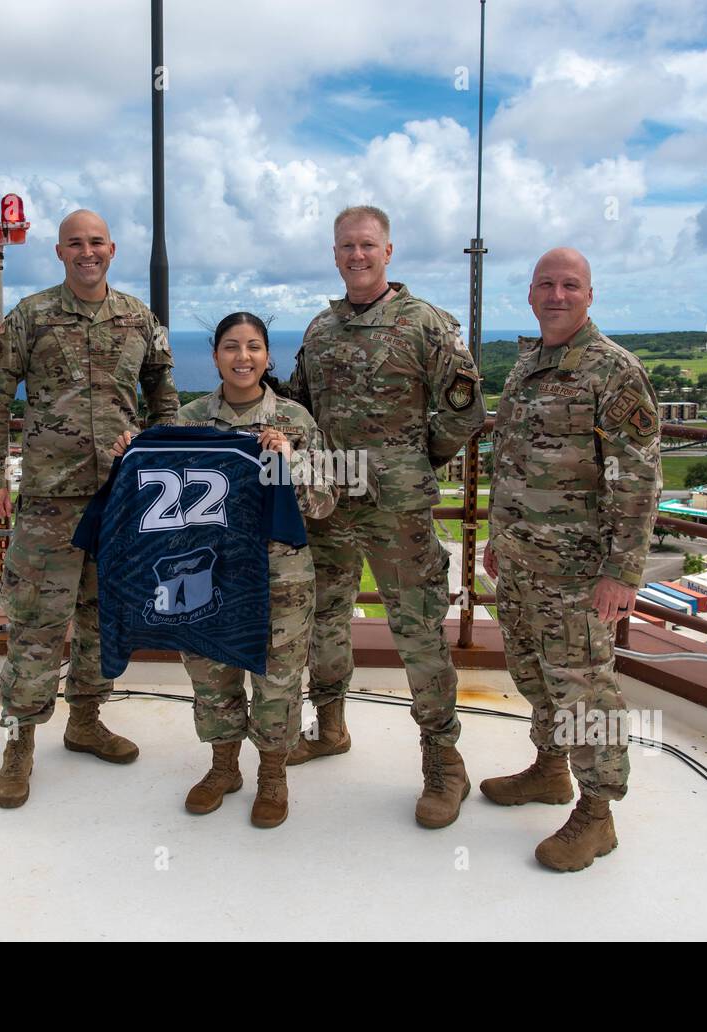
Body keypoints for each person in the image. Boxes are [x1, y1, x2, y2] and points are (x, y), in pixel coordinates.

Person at [0, 208, 179, 809]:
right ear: (59, 252)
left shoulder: (140, 318)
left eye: (96, 242)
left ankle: (84, 721)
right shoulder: (30, 316)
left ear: (112, 249)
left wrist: (161, 473)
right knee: (36, 625)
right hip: (48, 501)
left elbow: (164, 399)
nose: (87, 252)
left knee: (100, 617)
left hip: (119, 497)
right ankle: (19, 744)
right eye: (74, 244)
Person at [288, 205, 485, 828]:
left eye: (367, 245)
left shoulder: (426, 324)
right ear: (335, 253)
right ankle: (330, 727)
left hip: (397, 510)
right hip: (329, 507)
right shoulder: (319, 331)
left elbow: (463, 411)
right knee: (324, 620)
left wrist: (410, 462)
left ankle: (443, 763)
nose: (357, 255)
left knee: (419, 631)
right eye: (346, 246)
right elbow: (299, 407)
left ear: (389, 251)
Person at [111, 313, 336, 828]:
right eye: (231, 347)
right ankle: (223, 766)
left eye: (253, 347)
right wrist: (129, 452)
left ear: (267, 356)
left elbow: (324, 502)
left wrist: (287, 461)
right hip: (202, 572)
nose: (242, 357)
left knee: (277, 680)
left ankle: (273, 774)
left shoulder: (295, 421)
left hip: (280, 576)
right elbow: (151, 482)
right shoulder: (187, 422)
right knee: (210, 671)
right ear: (214, 356)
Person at [481, 246, 661, 871]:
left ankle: (597, 814)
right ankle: (550, 770)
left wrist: (622, 573)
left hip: (580, 575)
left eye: (570, 285)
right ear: (530, 294)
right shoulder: (528, 363)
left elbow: (638, 480)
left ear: (590, 294)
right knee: (534, 676)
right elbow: (510, 461)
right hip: (522, 561)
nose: (557, 295)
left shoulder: (613, 371)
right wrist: (498, 538)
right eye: (546, 284)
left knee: (585, 693)